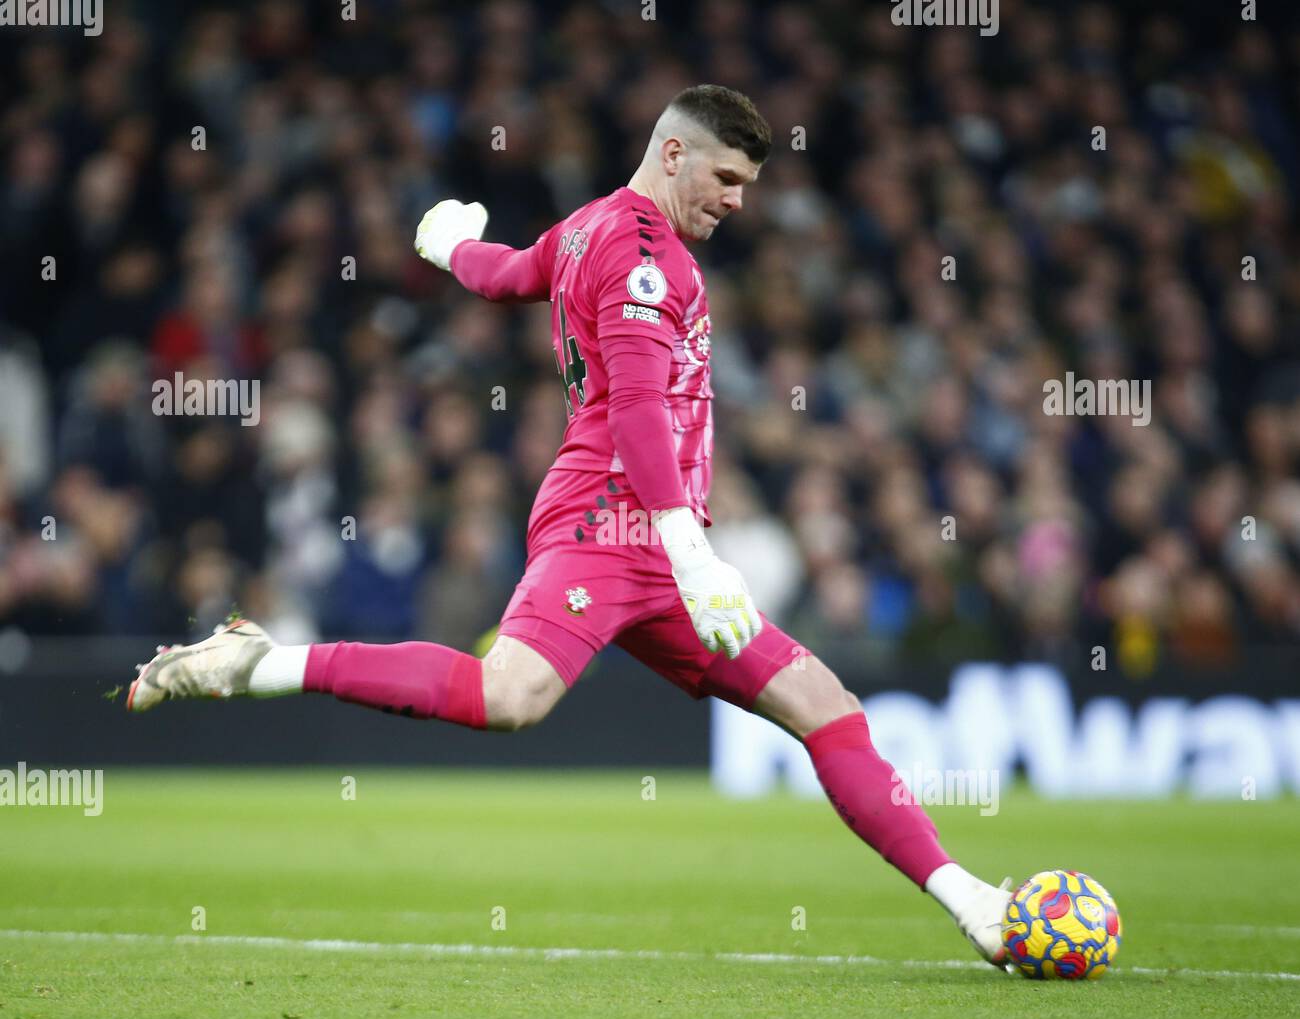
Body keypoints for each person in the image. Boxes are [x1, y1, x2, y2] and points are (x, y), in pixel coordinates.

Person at [126, 84, 1013, 969]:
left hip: (655, 539)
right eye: (728, 176)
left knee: (827, 709)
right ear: (674, 155)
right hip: (610, 523)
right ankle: (258, 662)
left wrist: (452, 246)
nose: (739, 200)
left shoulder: (589, 225)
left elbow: (511, 275)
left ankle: (971, 901)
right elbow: (634, 410)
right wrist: (696, 554)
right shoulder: (644, 263)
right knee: (508, 697)